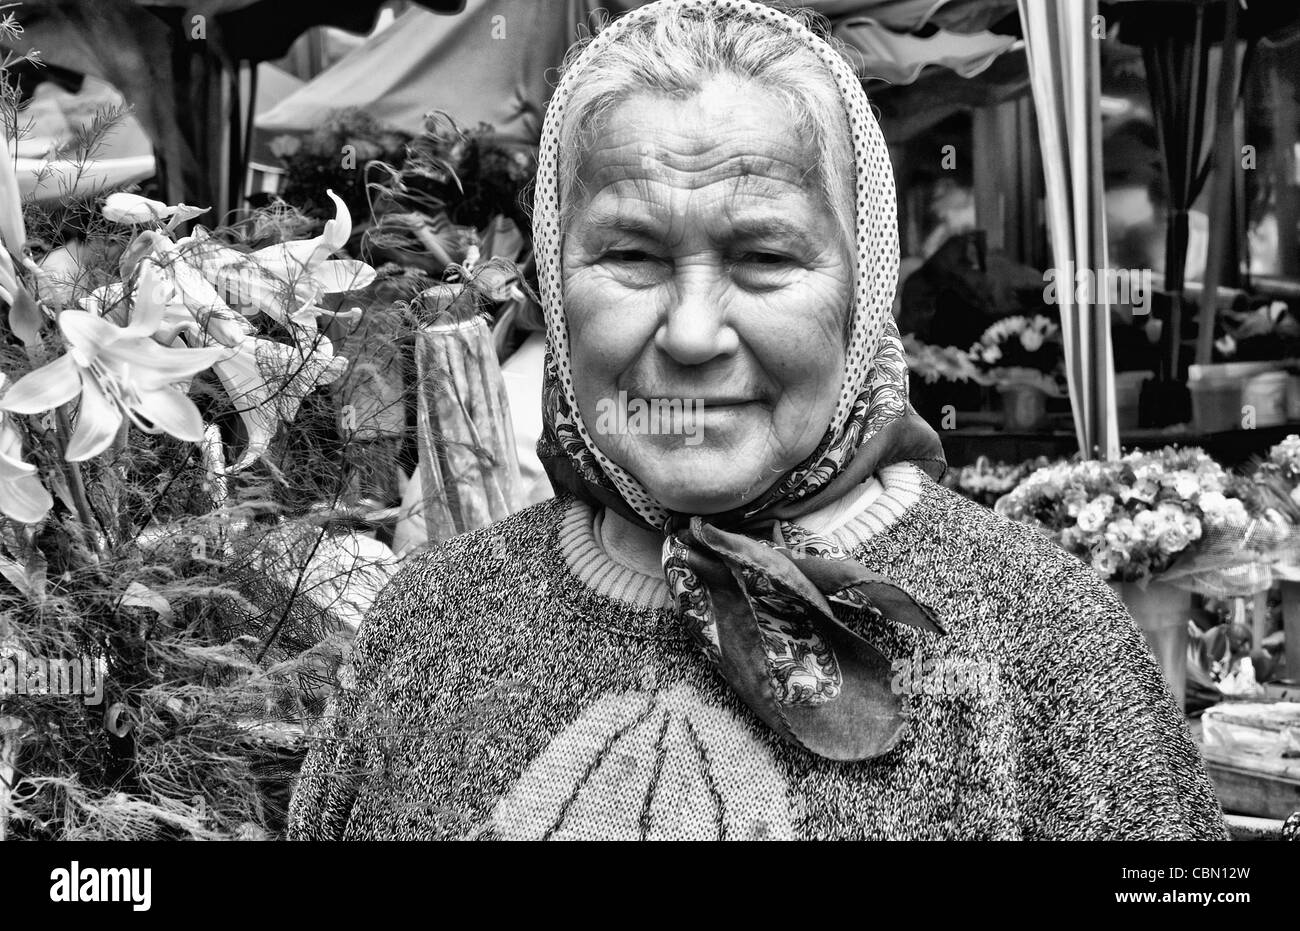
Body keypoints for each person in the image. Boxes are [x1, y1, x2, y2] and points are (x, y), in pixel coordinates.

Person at [288, 0, 1226, 841]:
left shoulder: (1046, 644)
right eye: (630, 254)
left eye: (765, 256)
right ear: (553, 287)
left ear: (864, 292)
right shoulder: (427, 628)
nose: (692, 333)